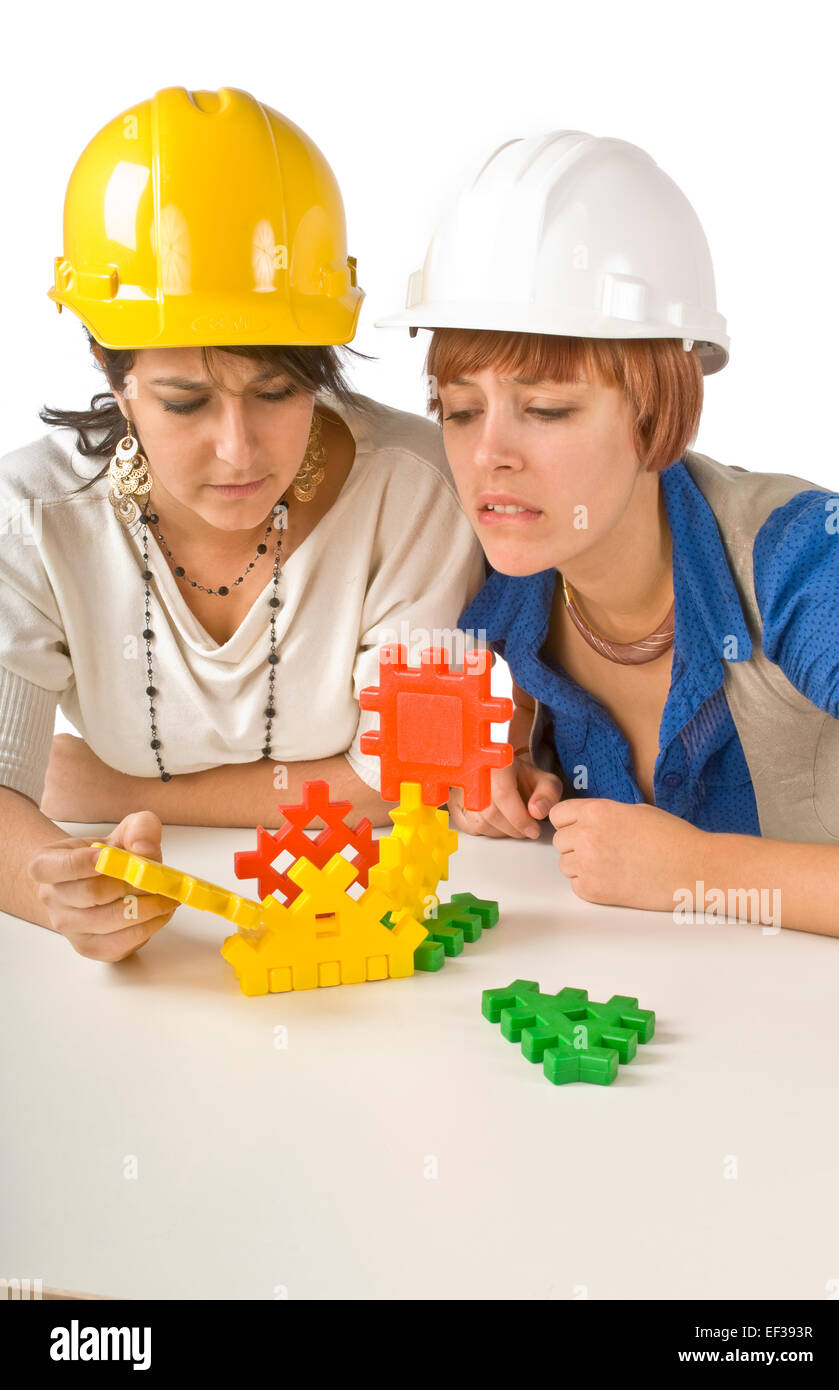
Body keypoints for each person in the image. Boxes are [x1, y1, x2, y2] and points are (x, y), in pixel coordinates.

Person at [0, 86, 483, 960]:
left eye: (277, 392)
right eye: (186, 402)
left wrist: (100, 783)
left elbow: (396, 786)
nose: (237, 450)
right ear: (117, 381)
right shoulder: (31, 520)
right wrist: (68, 892)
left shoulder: (413, 492)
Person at [376, 129, 839, 941]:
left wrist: (695, 874)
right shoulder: (505, 604)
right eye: (459, 411)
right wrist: (505, 780)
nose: (487, 454)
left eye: (546, 409)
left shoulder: (806, 563)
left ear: (654, 412)